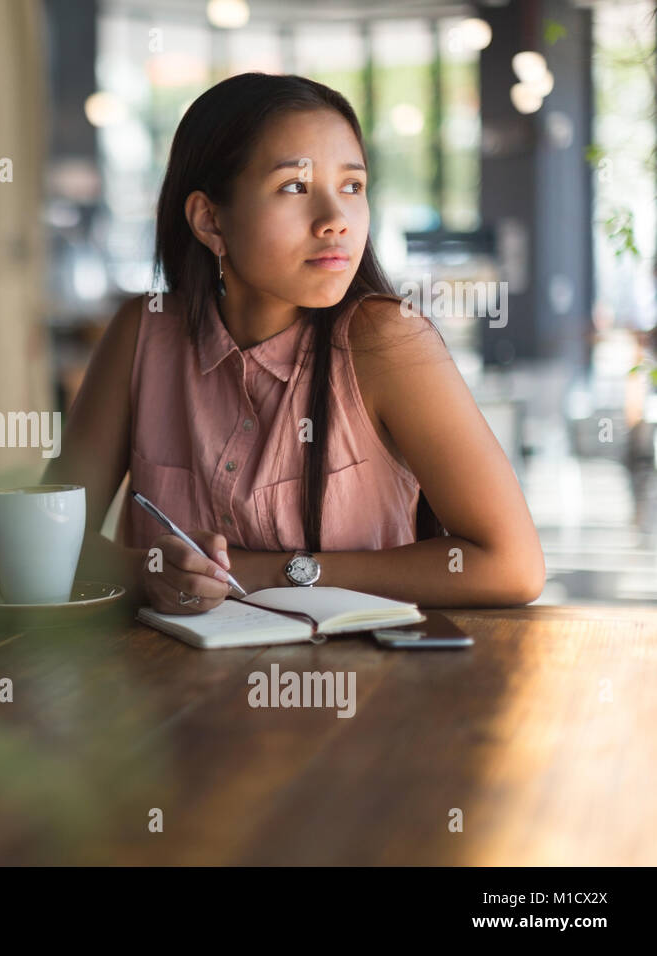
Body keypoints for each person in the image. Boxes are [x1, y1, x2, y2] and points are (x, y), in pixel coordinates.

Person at [41, 73, 544, 613]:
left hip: (365, 690)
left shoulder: (385, 341)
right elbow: (43, 542)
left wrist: (272, 574)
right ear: (210, 220)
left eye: (352, 186)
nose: (335, 221)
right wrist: (151, 572)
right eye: (295, 188)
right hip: (161, 687)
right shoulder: (144, 333)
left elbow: (511, 565)